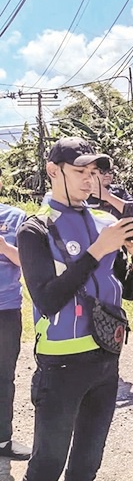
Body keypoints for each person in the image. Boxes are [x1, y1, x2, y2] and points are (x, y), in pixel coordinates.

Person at [0, 137, 133, 481]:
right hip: (60, 371)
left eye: (96, 173)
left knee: (85, 469)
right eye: (81, 171)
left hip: (105, 366)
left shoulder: (105, 224)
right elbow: (46, 295)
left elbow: (125, 291)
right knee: (42, 475)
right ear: (54, 171)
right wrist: (96, 253)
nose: (91, 181)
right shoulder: (34, 228)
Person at [0, 186, 31, 461]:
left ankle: (2, 441)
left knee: (4, 377)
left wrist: (3, 247)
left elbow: (30, 262)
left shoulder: (16, 217)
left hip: (6, 309)